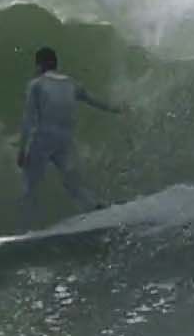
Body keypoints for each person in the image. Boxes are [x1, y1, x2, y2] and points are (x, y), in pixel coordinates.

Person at [17, 46, 120, 229]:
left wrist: (22, 149)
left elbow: (29, 120)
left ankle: (26, 228)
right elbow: (94, 101)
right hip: (65, 140)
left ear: (40, 64)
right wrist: (116, 109)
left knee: (29, 186)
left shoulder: (36, 85)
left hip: (43, 138)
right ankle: (96, 209)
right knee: (74, 184)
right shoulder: (72, 83)